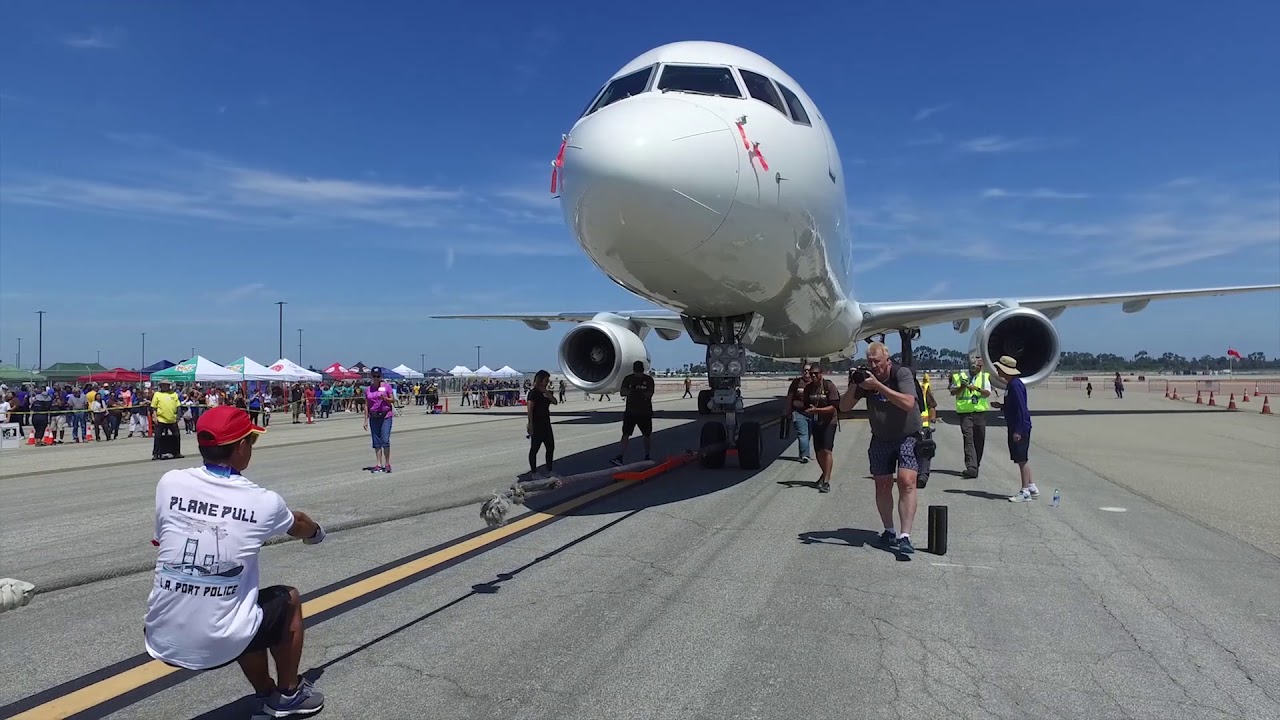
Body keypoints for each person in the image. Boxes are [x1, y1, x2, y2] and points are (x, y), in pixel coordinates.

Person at [142, 405, 326, 717]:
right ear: (241, 447)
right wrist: (317, 533)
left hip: (158, 635)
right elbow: (298, 524)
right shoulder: (262, 501)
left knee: (243, 603)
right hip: (215, 642)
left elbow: (163, 538)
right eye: (251, 442)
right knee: (287, 599)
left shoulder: (169, 482)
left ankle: (265, 692)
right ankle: (289, 694)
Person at [839, 342, 922, 553]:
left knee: (906, 481)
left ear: (887, 359)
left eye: (877, 361)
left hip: (907, 436)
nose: (873, 366)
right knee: (882, 484)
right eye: (870, 362)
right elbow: (844, 407)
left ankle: (905, 536)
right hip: (881, 437)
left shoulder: (900, 374)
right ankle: (889, 531)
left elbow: (908, 403)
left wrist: (878, 386)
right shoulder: (866, 381)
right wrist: (855, 385)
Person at [990, 356, 1038, 502]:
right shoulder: (1012, 385)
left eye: (999, 369)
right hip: (1017, 425)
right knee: (1021, 458)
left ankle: (1024, 491)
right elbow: (1014, 407)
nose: (997, 371)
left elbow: (1021, 409)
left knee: (1021, 459)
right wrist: (1002, 407)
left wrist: (1018, 430)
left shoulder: (1015, 385)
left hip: (1019, 427)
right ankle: (1031, 486)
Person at [948, 355, 992, 479]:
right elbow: (952, 392)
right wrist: (962, 387)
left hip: (980, 413)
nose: (981, 368)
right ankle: (971, 467)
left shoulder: (984, 377)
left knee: (980, 439)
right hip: (965, 413)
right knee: (969, 439)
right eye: (979, 366)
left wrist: (977, 389)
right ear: (973, 366)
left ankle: (976, 464)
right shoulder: (960, 376)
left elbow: (987, 393)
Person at [802, 361, 840, 492]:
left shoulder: (829, 386)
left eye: (815, 374)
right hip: (816, 421)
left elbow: (834, 406)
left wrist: (817, 410)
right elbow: (806, 404)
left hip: (829, 422)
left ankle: (826, 482)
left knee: (827, 451)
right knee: (818, 452)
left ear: (821, 374)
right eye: (811, 374)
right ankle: (824, 474)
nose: (812, 376)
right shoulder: (808, 388)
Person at [611, 361, 655, 466]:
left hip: (644, 412)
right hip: (631, 411)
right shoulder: (628, 379)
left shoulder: (648, 380)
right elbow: (622, 392)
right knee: (626, 434)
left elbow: (649, 394)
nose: (638, 374)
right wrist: (632, 390)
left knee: (646, 435)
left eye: (639, 372)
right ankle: (620, 456)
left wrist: (637, 391)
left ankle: (647, 455)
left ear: (642, 371)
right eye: (636, 372)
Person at [362, 367, 397, 473]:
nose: (376, 378)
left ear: (381, 376)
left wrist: (385, 399)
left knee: (385, 440)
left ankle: (387, 463)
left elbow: (393, 400)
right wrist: (365, 420)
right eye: (374, 376)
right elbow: (367, 405)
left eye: (378, 376)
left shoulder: (387, 387)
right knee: (376, 441)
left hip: (386, 415)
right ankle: (378, 463)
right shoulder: (368, 389)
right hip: (374, 417)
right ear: (371, 376)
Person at [526, 370, 558, 477]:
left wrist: (547, 392)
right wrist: (530, 424)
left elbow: (555, 402)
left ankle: (549, 470)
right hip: (536, 424)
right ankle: (534, 472)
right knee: (534, 449)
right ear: (540, 380)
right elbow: (530, 409)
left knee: (550, 447)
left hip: (546, 424)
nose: (548, 382)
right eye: (546, 380)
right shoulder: (533, 393)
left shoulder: (546, 393)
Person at [781, 364, 814, 464]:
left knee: (808, 434)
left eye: (808, 370)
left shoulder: (815, 382)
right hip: (799, 412)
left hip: (812, 412)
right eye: (804, 370)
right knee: (803, 434)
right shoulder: (796, 382)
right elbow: (790, 397)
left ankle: (805, 451)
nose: (806, 372)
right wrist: (787, 410)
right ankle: (805, 455)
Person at [150, 380, 183, 460]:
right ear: (161, 386)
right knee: (158, 437)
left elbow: (178, 406)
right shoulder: (157, 394)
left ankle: (176, 452)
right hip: (161, 419)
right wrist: (154, 417)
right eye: (164, 385)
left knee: (176, 436)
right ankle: (156, 453)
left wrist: (178, 417)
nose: (165, 386)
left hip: (172, 419)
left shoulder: (174, 394)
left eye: (167, 385)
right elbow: (153, 407)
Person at [916, 372, 938, 488]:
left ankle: (922, 476)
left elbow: (931, 405)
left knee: (925, 451)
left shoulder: (923, 389)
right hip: (909, 426)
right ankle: (915, 473)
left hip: (924, 425)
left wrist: (932, 418)